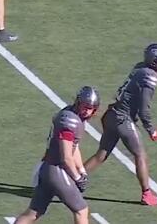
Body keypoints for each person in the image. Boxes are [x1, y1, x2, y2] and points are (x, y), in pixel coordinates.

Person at [84, 44, 157, 207]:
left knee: (101, 155)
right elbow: (144, 109)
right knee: (140, 155)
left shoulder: (141, 68)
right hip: (122, 119)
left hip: (111, 114)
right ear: (153, 61)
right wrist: (151, 129)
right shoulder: (149, 77)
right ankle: (146, 194)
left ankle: (71, 179)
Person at [13, 86, 100, 224]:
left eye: (90, 108)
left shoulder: (71, 115)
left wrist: (82, 170)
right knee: (81, 210)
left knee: (34, 212)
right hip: (56, 169)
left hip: (49, 168)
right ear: (78, 102)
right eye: (84, 106)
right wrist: (77, 178)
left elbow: (74, 147)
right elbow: (66, 157)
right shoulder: (70, 121)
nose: (86, 111)